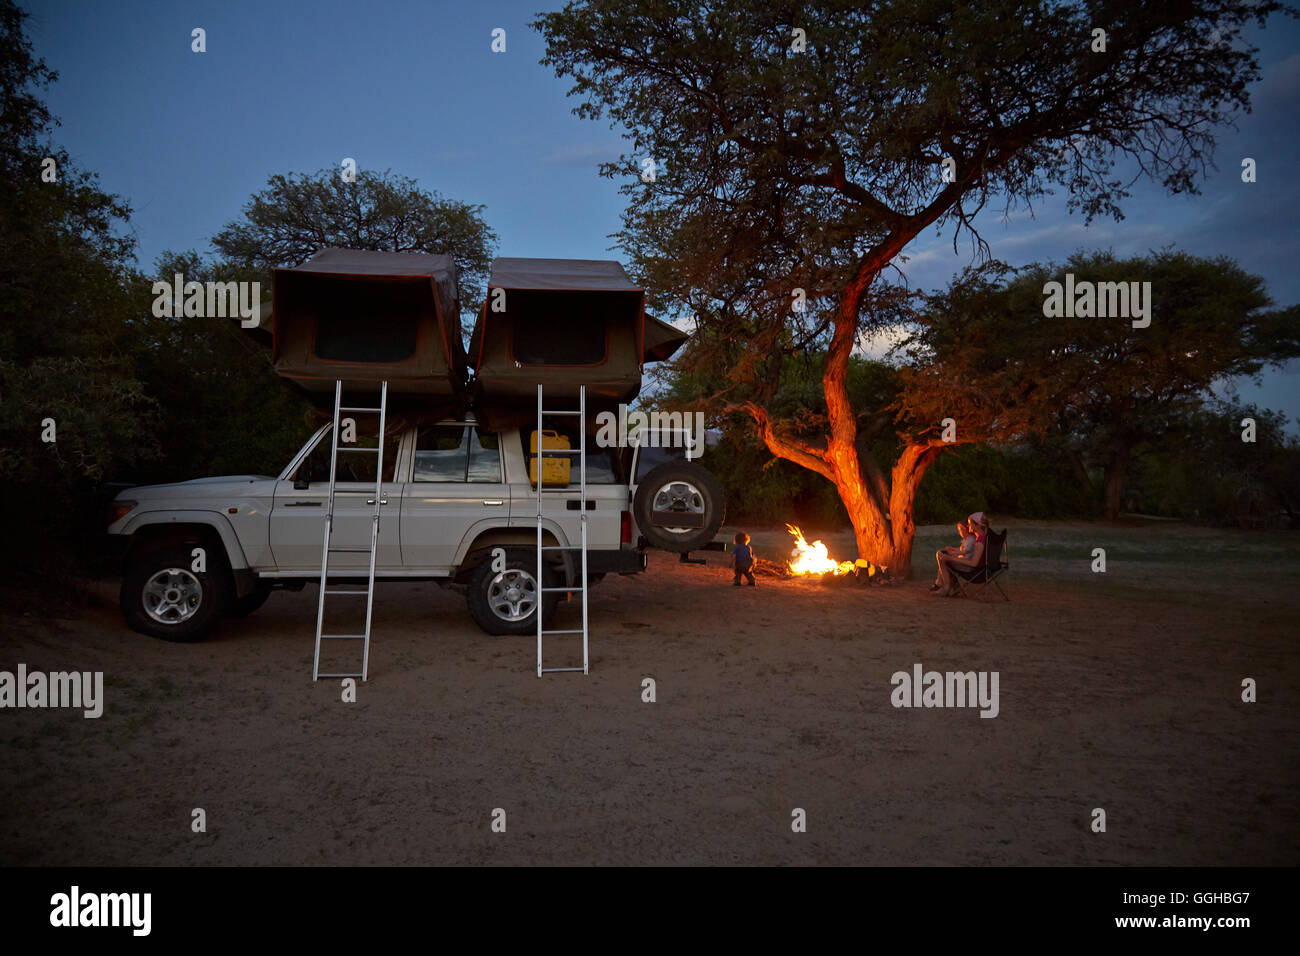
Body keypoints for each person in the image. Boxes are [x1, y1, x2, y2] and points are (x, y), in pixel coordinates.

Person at [933, 512, 986, 597]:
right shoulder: (981, 537)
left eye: (970, 523)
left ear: (977, 525)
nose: (968, 526)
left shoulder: (979, 541)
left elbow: (974, 563)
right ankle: (952, 588)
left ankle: (946, 588)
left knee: (943, 558)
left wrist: (952, 558)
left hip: (972, 570)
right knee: (944, 556)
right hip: (974, 567)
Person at [931, 520, 975, 591]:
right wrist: (952, 549)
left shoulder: (971, 540)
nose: (959, 532)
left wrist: (951, 553)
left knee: (941, 556)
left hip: (965, 565)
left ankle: (945, 585)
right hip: (963, 561)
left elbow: (964, 552)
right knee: (941, 555)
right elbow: (962, 550)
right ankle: (940, 582)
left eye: (960, 530)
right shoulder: (968, 539)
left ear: (965, 530)